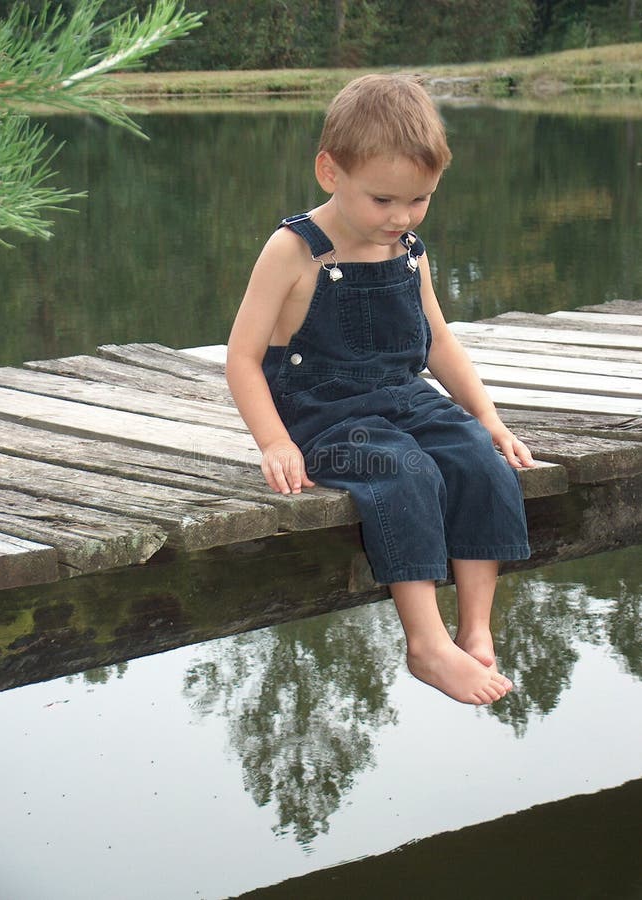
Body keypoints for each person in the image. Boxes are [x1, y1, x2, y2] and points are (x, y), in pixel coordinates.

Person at [226, 73, 534, 706]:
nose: (401, 218)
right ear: (330, 172)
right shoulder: (294, 250)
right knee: (404, 471)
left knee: (477, 458)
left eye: (419, 201)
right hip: (322, 414)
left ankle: (474, 629)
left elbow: (439, 343)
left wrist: (490, 419)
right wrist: (274, 441)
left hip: (401, 396)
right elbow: (243, 357)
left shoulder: (409, 250)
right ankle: (425, 644)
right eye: (384, 200)